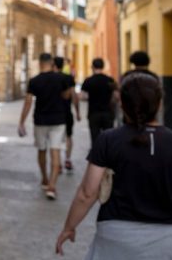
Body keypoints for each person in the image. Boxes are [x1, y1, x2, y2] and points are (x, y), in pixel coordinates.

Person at [56, 73, 172, 260]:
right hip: (169, 242)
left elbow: (87, 192)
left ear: (121, 103)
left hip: (117, 238)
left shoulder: (108, 140)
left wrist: (70, 227)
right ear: (160, 104)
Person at [18, 53, 74, 200]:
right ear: (52, 63)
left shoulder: (34, 81)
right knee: (55, 152)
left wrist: (22, 121)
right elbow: (67, 95)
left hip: (40, 121)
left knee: (42, 150)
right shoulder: (62, 78)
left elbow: (28, 102)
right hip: (58, 120)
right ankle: (52, 186)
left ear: (39, 63)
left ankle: (44, 179)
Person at [81, 58, 118, 145]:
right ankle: (108, 156)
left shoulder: (88, 80)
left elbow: (82, 96)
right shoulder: (110, 80)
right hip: (107, 112)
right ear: (103, 67)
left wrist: (90, 97)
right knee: (109, 138)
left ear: (92, 67)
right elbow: (116, 96)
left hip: (93, 113)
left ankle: (97, 156)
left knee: (95, 138)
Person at [54, 56, 80, 171]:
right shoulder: (69, 78)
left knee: (56, 139)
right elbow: (74, 95)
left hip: (55, 114)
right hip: (67, 112)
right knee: (69, 136)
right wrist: (77, 112)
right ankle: (68, 160)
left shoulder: (51, 78)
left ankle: (58, 163)